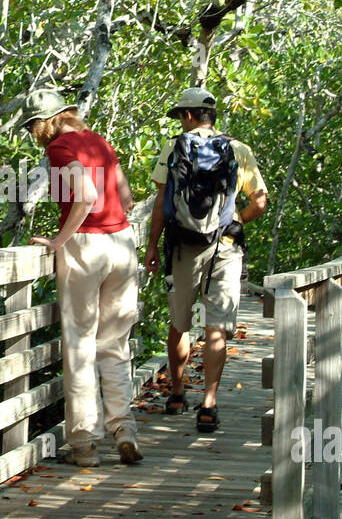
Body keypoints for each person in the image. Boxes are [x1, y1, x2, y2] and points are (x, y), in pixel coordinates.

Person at [20, 89, 142, 467]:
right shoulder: (99, 142)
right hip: (122, 243)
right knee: (114, 343)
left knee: (80, 344)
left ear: (48, 120)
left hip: (86, 247)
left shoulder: (60, 147)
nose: (33, 135)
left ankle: (85, 444)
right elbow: (127, 198)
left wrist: (60, 238)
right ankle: (124, 428)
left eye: (32, 127)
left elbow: (85, 196)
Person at [143, 88, 267, 433]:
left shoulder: (174, 147)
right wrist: (232, 222)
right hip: (224, 248)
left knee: (179, 322)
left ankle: (178, 393)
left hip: (183, 247)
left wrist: (152, 246)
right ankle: (209, 404)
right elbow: (259, 202)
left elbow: (160, 202)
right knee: (216, 329)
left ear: (188, 115)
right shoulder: (238, 150)